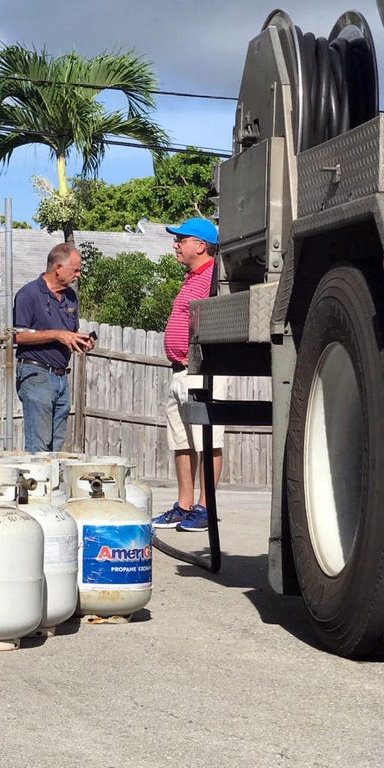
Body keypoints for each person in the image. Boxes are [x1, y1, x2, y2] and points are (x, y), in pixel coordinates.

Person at [152, 216, 225, 533]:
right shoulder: (190, 277)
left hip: (203, 370)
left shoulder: (214, 276)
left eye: (181, 240)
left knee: (207, 442)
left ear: (201, 245)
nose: (175, 245)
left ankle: (205, 509)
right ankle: (184, 506)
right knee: (181, 441)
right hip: (179, 370)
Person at [13, 242, 95, 452]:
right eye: (75, 270)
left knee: (56, 448)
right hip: (36, 373)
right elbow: (18, 336)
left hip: (61, 378)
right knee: (38, 448)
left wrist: (80, 340)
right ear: (58, 267)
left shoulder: (70, 297)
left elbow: (70, 332)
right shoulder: (28, 294)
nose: (78, 275)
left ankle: (51, 484)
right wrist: (58, 335)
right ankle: (36, 484)